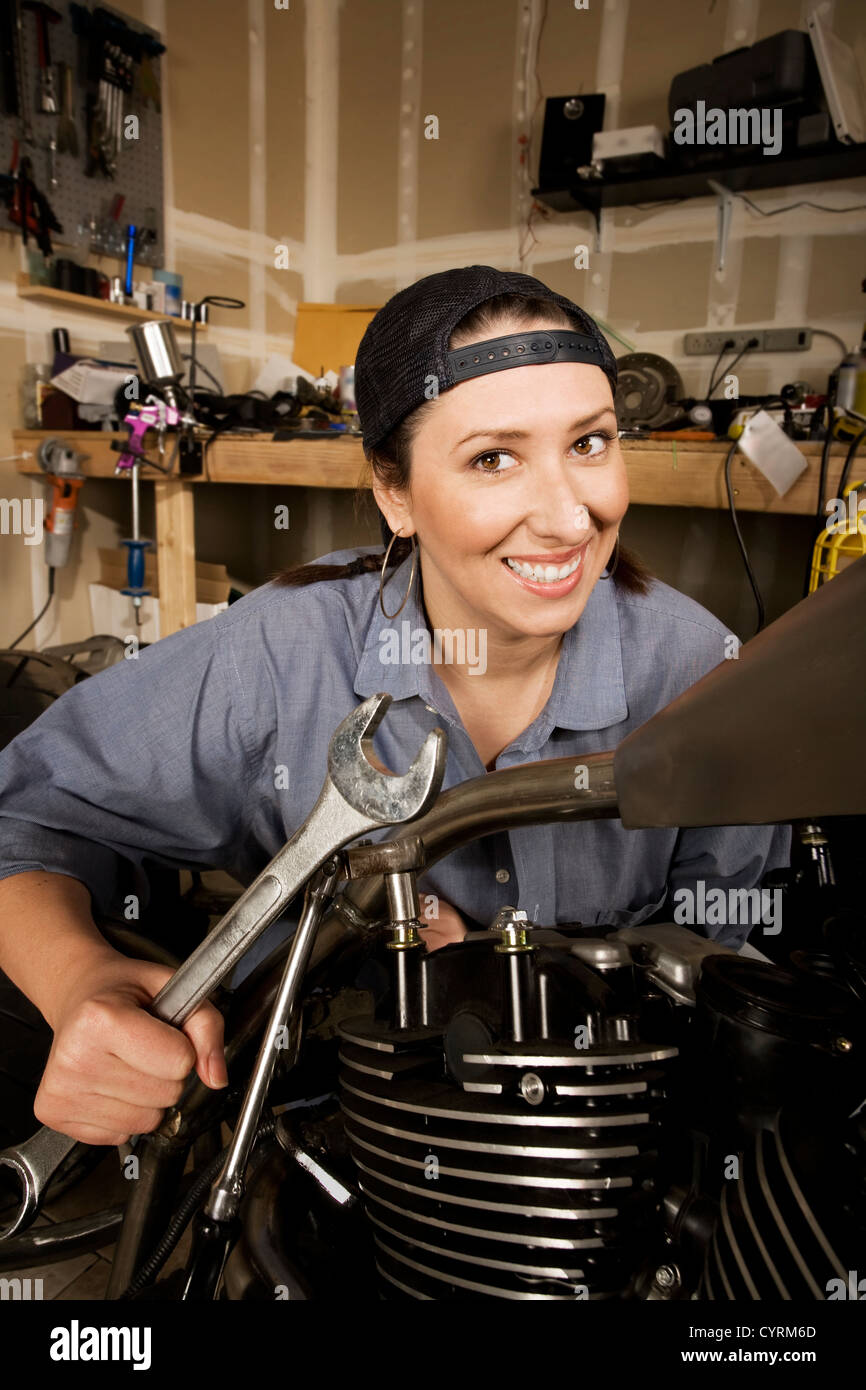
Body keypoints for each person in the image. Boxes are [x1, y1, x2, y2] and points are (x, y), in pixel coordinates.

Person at [0, 264, 790, 1146]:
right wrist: (79, 981)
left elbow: (734, 968)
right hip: (331, 1144)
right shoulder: (286, 651)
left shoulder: (700, 672)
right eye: (495, 457)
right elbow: (25, 810)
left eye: (591, 443)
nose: (570, 519)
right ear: (393, 491)